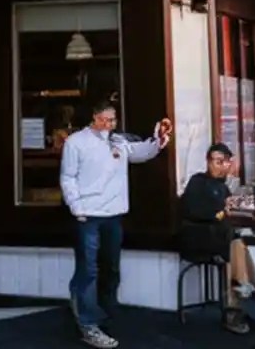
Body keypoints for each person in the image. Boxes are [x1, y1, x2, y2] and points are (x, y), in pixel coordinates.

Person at [60, 102, 171, 348]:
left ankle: (104, 314)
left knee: (110, 268)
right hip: (87, 215)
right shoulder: (76, 142)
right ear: (94, 117)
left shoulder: (117, 141)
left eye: (113, 120)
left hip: (114, 214)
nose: (109, 124)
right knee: (88, 269)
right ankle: (88, 322)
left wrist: (158, 140)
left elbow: (141, 152)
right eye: (105, 119)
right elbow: (68, 177)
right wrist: (76, 207)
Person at [178, 143, 255, 335]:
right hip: (199, 239)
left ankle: (244, 290)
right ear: (208, 162)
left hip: (221, 240)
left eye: (225, 162)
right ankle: (249, 293)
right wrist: (220, 214)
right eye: (217, 162)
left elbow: (228, 216)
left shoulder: (224, 189)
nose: (221, 166)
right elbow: (194, 211)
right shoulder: (197, 182)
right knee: (233, 248)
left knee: (237, 245)